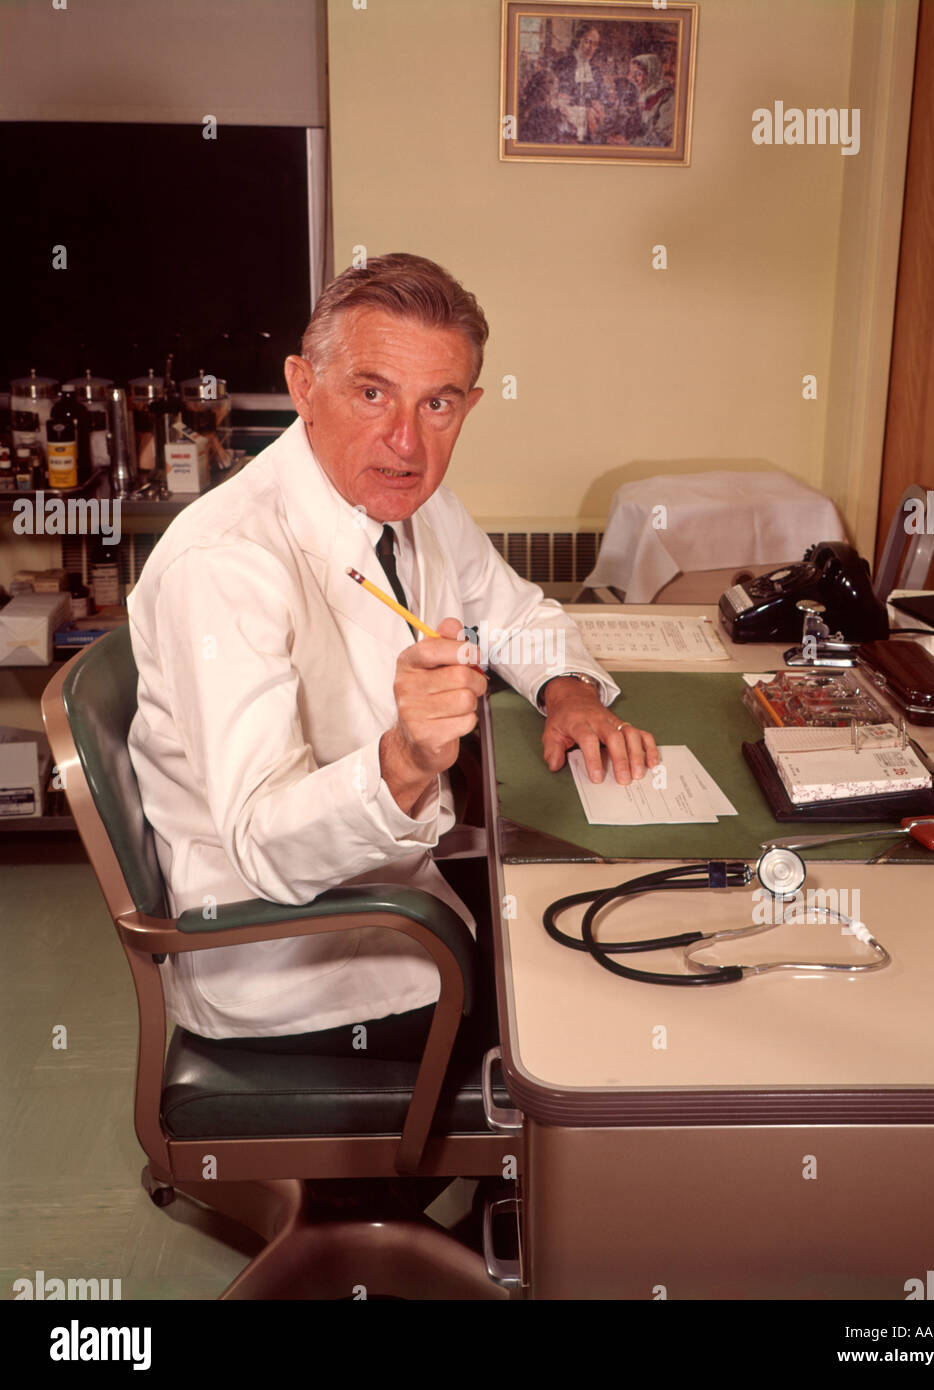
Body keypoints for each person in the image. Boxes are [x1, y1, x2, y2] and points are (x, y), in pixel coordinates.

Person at [127, 253, 658, 1051]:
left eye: (437, 404)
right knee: (599, 1022)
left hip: (404, 884)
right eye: (371, 393)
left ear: (469, 406)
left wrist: (571, 691)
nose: (406, 440)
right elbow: (266, 845)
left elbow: (514, 613)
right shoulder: (224, 563)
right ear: (304, 387)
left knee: (625, 911)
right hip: (295, 958)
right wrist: (407, 759)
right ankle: (515, 1172)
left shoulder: (417, 500)